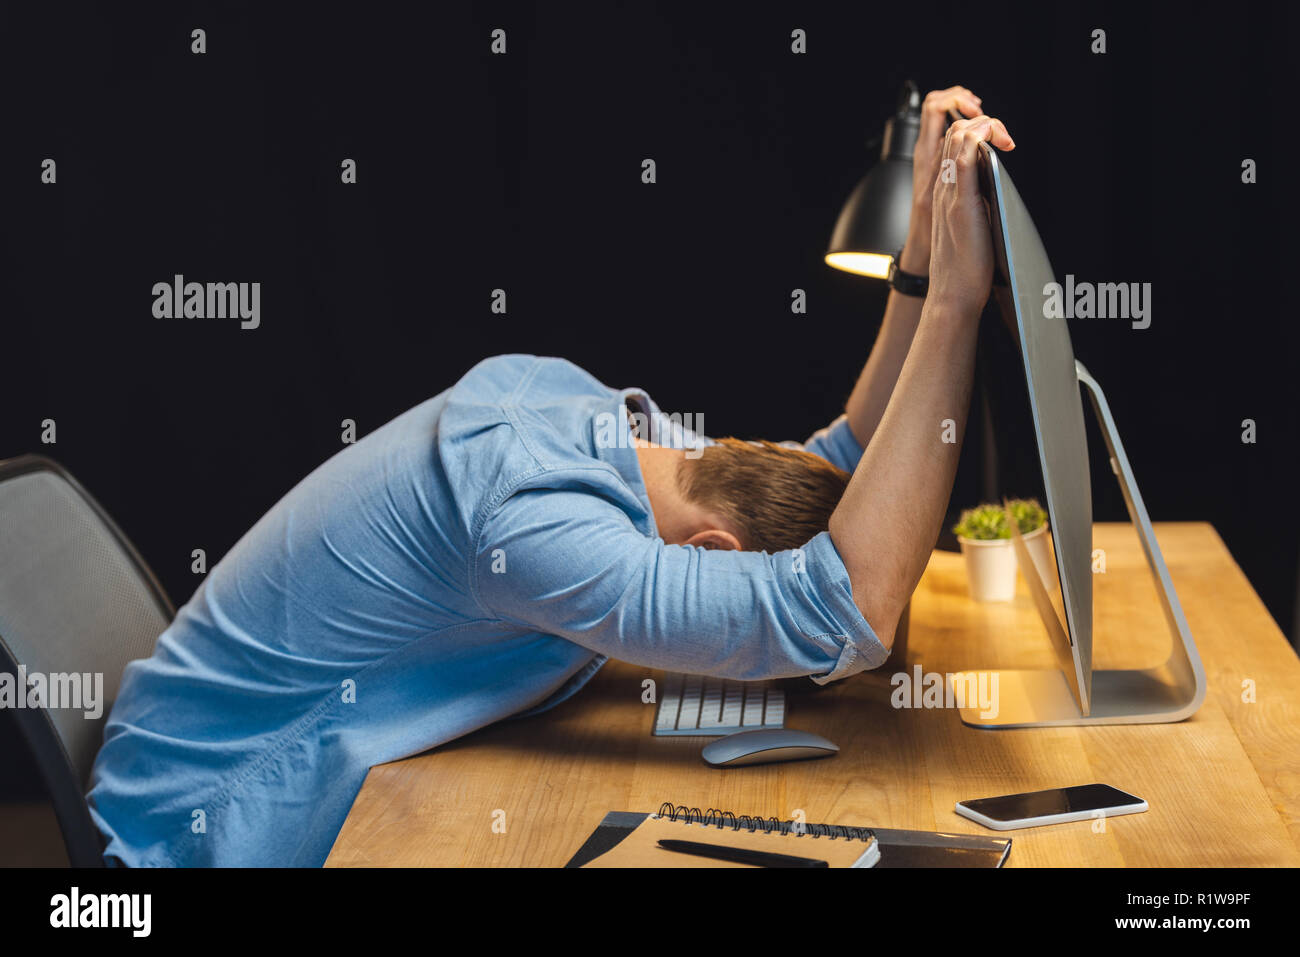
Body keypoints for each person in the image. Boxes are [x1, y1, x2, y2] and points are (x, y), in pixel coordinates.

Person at [87, 88, 1013, 866]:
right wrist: (963, 307)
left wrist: (922, 274)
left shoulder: (612, 431)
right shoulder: (537, 525)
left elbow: (841, 462)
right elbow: (846, 606)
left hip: (175, 742)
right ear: (715, 553)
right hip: (185, 828)